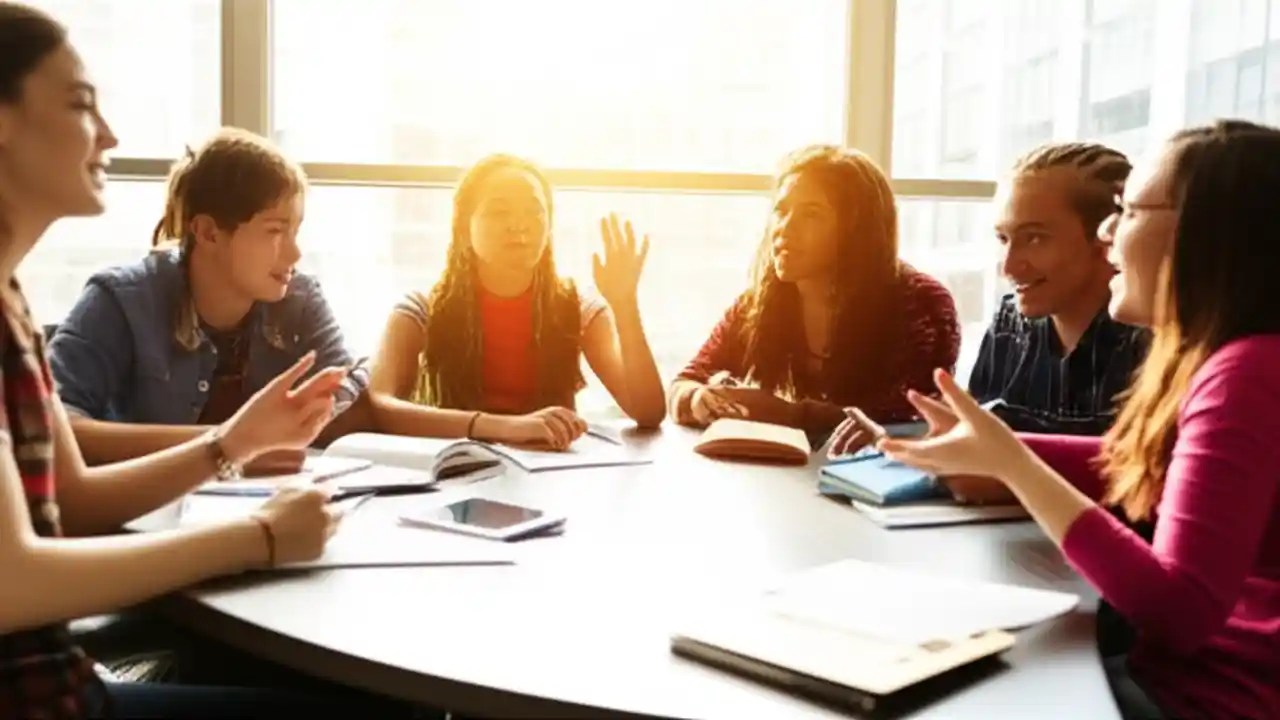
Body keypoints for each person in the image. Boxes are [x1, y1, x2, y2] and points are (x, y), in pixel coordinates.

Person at [0, 4, 397, 716]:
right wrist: (257, 537)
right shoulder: (114, 299)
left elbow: (79, 495)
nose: (112, 134)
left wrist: (234, 442)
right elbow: (11, 582)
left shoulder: (11, 299)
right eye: (82, 104)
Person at [875, 120, 1280, 720]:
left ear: (1204, 233)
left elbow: (1180, 611)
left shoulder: (1246, 373)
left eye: (1129, 210)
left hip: (1204, 700)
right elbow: (1147, 466)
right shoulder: (1235, 358)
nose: (1109, 233)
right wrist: (995, 448)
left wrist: (1014, 464)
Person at [47, 127, 371, 474]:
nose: (294, 253)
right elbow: (56, 428)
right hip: (143, 511)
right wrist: (234, 444)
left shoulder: (300, 300)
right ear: (208, 233)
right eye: (275, 231)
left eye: (295, 231)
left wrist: (331, 399)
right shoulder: (121, 301)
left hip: (256, 505)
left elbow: (347, 386)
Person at [369, 153, 665, 447]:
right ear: (464, 227)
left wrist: (625, 304)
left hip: (551, 476)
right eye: (499, 212)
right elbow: (381, 407)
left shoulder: (578, 309)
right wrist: (502, 427)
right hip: (455, 471)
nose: (518, 225)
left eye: (534, 211)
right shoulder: (421, 311)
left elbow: (648, 413)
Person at [669, 144, 960, 437]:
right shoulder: (758, 303)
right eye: (781, 211)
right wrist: (697, 398)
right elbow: (686, 380)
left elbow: (907, 420)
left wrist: (784, 414)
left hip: (873, 479)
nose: (785, 228)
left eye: (811, 214)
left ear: (856, 229)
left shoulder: (923, 305)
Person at [969, 142, 1148, 435]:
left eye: (1035, 238)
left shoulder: (1155, 342)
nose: (1009, 268)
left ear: (1107, 236)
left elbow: (1134, 464)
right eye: (1003, 239)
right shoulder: (1009, 324)